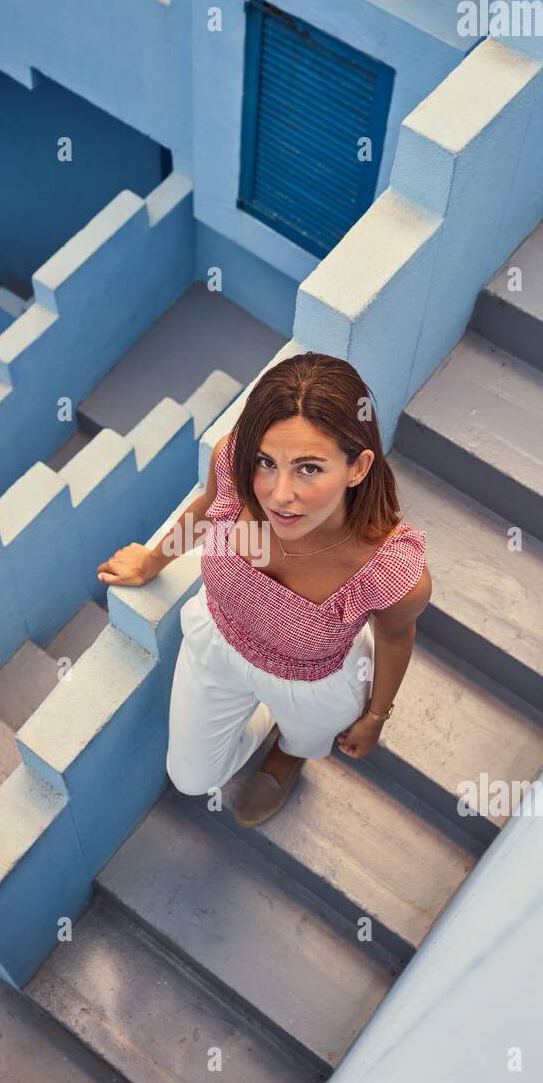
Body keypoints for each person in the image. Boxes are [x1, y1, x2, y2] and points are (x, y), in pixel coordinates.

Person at [96, 351, 432, 826]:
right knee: (191, 778)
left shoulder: (387, 569)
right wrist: (152, 562)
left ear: (357, 468)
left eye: (309, 468)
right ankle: (268, 722)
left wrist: (376, 717)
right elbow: (207, 508)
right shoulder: (234, 471)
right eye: (266, 461)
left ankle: (288, 752)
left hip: (315, 681)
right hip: (219, 643)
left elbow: (396, 637)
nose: (278, 494)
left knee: (305, 737)